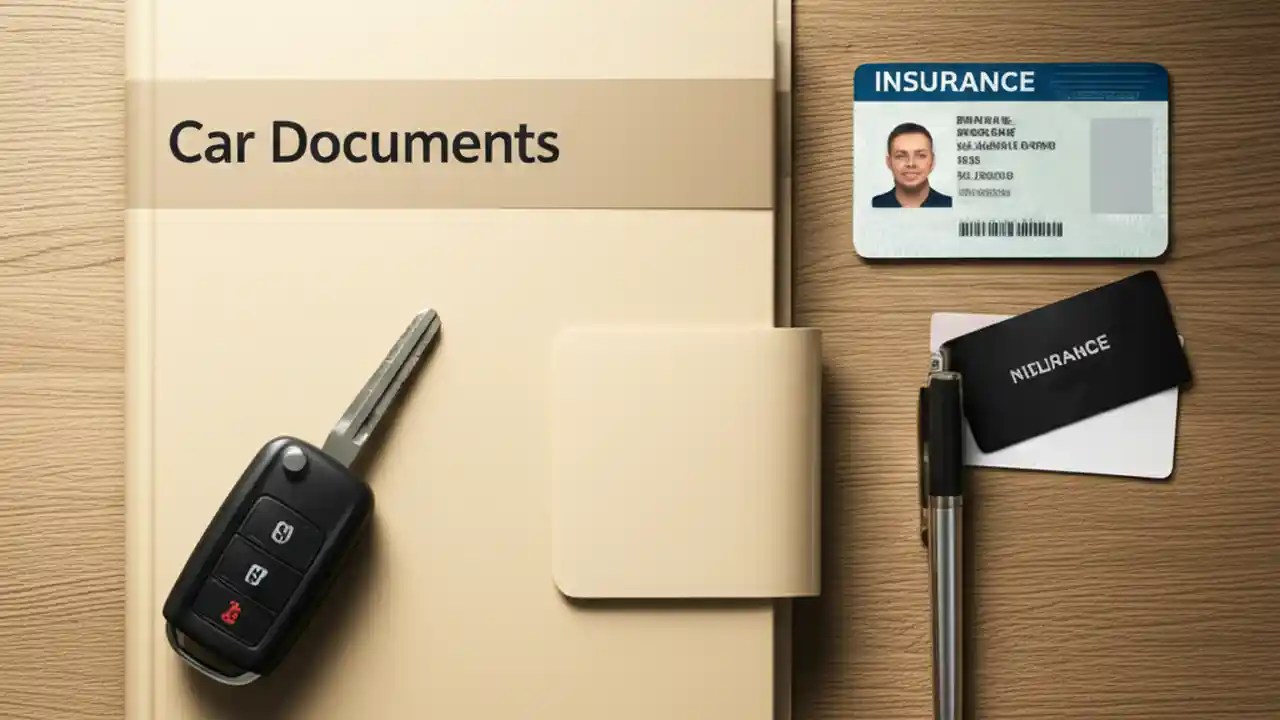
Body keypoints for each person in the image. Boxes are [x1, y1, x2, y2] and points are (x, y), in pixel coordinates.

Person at [872, 122, 952, 208]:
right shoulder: (874, 205)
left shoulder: (950, 205)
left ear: (932, 161)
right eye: (901, 156)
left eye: (921, 156)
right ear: (889, 162)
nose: (911, 163)